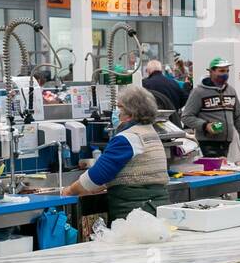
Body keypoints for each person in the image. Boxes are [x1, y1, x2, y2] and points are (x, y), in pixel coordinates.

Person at [64, 85, 169, 222]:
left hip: (137, 211)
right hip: (156, 208)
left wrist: (70, 190)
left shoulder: (127, 138)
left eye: (120, 108)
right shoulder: (150, 132)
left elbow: (97, 175)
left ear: (130, 114)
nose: (116, 113)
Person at [182, 57, 240, 160]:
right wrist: (205, 125)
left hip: (226, 142)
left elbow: (238, 117)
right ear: (211, 72)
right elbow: (186, 116)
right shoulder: (199, 92)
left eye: (227, 71)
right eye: (221, 71)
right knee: (213, 171)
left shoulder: (231, 91)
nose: (225, 74)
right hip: (207, 143)